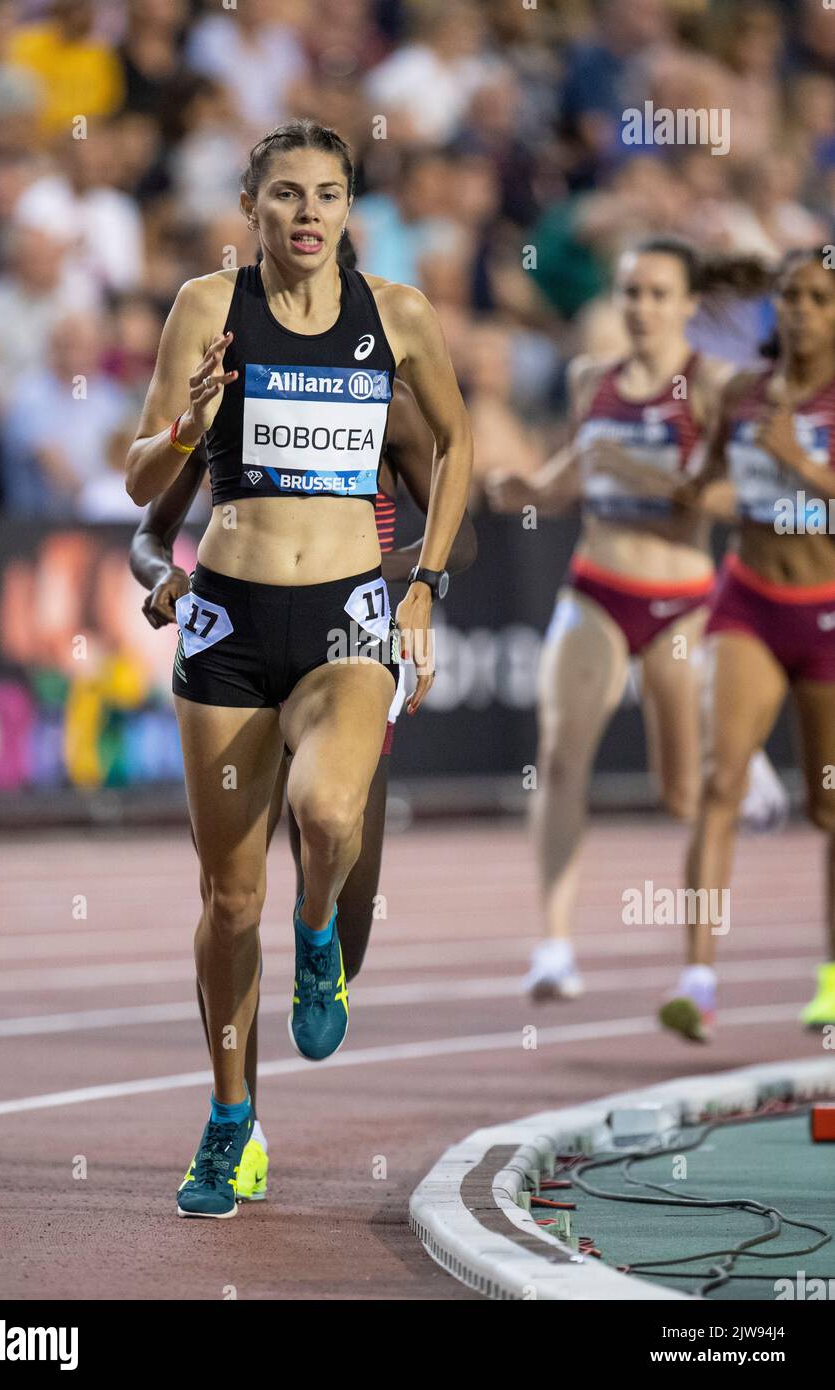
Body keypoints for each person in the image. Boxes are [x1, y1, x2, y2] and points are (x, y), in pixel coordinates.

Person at [125, 118, 472, 1218]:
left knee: (329, 815)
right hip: (228, 623)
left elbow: (456, 448)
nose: (307, 213)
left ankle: (318, 935)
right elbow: (142, 486)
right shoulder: (203, 308)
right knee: (229, 901)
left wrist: (425, 583)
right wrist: (187, 427)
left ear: (349, 206)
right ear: (252, 210)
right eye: (285, 195)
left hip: (346, 620)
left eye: (327, 193)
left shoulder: (396, 316)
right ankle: (231, 1122)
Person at [486, 238, 787, 1001]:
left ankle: (737, 757)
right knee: (559, 759)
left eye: (657, 293)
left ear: (689, 304)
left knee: (680, 795)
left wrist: (659, 479)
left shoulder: (715, 387)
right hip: (596, 587)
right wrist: (524, 486)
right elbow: (572, 473)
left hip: (682, 600)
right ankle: (553, 945)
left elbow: (739, 499)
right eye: (630, 293)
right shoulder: (592, 379)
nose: (641, 308)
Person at [663, 247, 835, 1041]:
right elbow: (708, 473)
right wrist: (691, 485)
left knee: (827, 807)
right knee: (720, 781)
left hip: (825, 610)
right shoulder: (743, 393)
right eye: (789, 298)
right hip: (751, 601)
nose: (799, 311)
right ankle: (697, 980)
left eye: (816, 298)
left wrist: (804, 465)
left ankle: (831, 979)